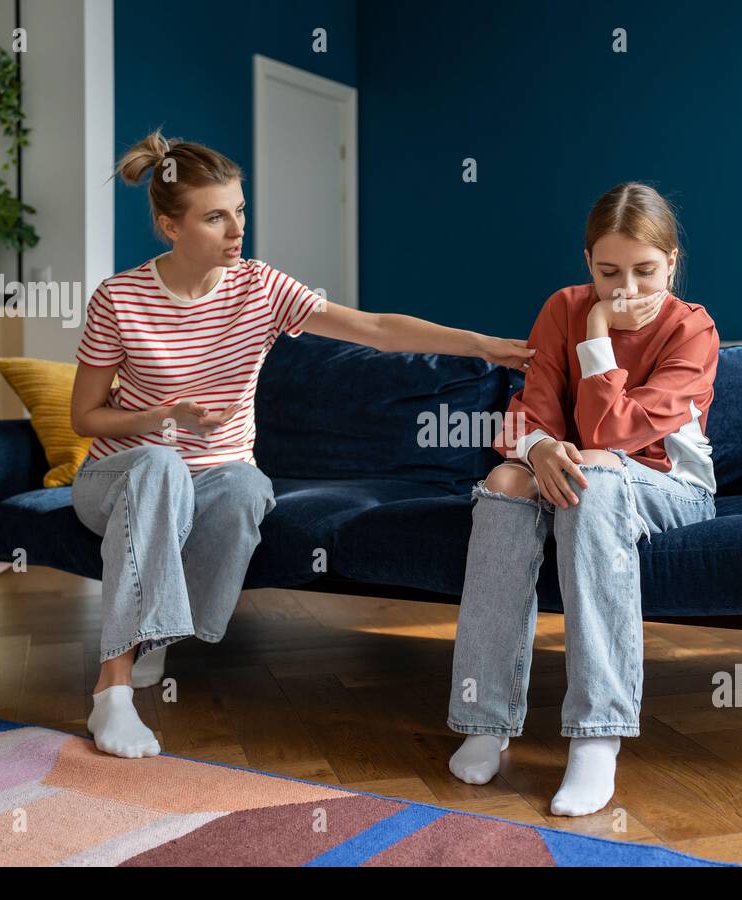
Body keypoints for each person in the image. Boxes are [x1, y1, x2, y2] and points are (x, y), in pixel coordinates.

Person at [69, 128, 533, 759]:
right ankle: (112, 694)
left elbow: (373, 329)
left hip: (215, 477)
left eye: (239, 212)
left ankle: (157, 637)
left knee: (245, 486)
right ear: (168, 226)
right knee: (160, 465)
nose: (236, 230)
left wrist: (481, 344)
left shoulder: (258, 289)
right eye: (214, 217)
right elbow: (85, 419)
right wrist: (165, 415)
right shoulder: (119, 299)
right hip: (118, 478)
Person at [446, 182, 720, 816]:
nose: (626, 289)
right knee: (504, 482)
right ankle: (485, 719)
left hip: (667, 487)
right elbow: (525, 418)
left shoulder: (692, 328)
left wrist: (598, 331)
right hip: (570, 471)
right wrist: (538, 449)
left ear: (672, 262)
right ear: (587, 262)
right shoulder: (560, 308)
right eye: (608, 272)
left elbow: (611, 432)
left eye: (645, 271)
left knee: (595, 469)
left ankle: (598, 736)